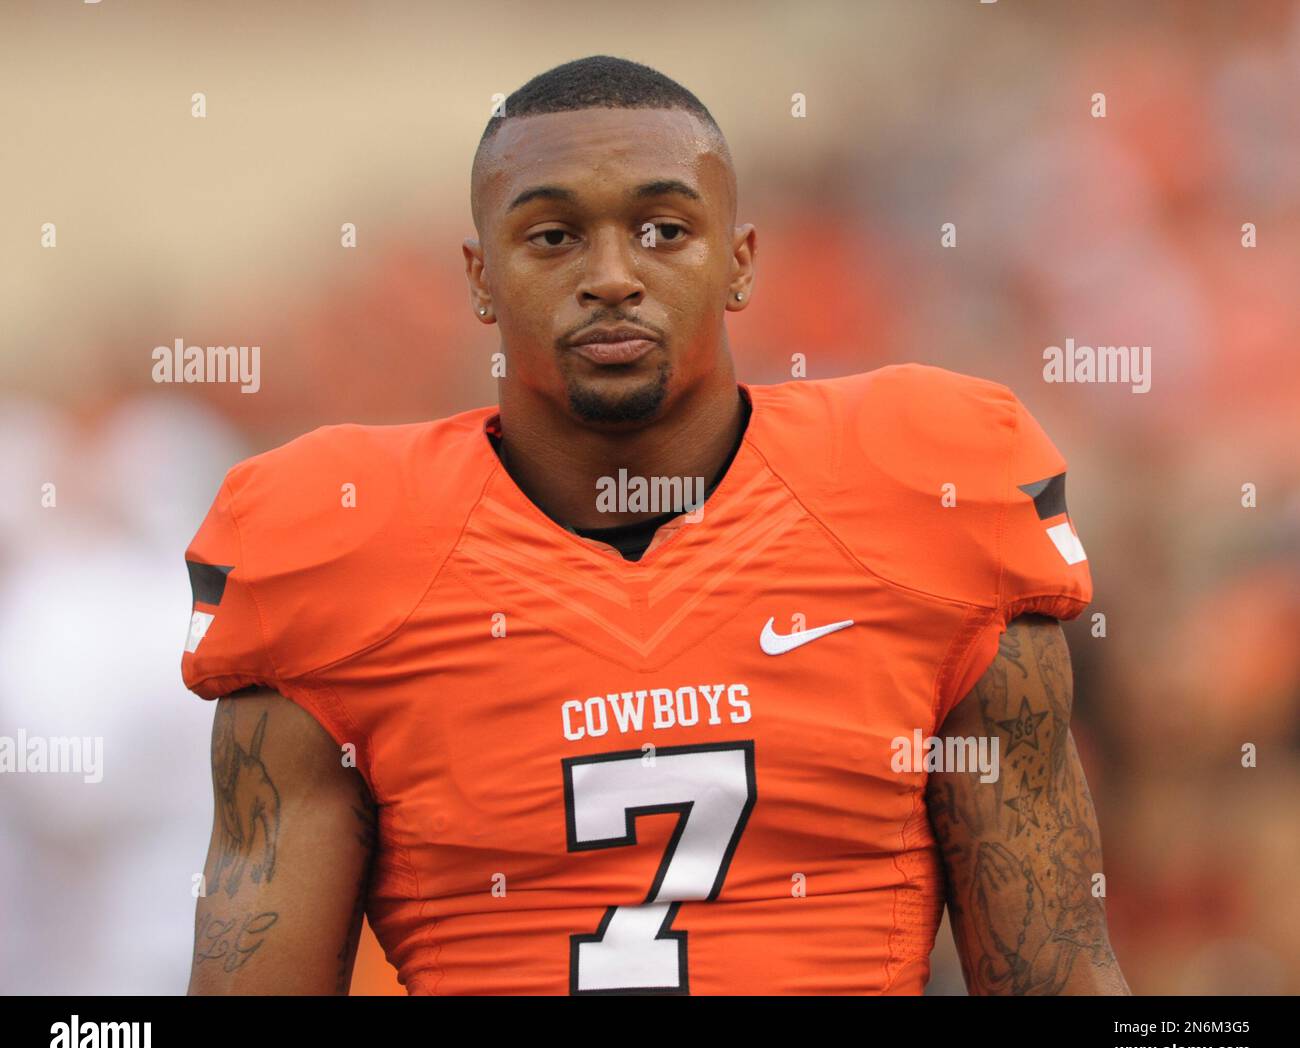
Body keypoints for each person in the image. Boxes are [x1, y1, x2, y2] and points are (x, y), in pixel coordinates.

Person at [182, 55, 1128, 995]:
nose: (611, 277)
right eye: (552, 236)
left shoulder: (925, 496)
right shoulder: (341, 553)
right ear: (480, 278)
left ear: (740, 260)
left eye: (664, 229)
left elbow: (1056, 966)